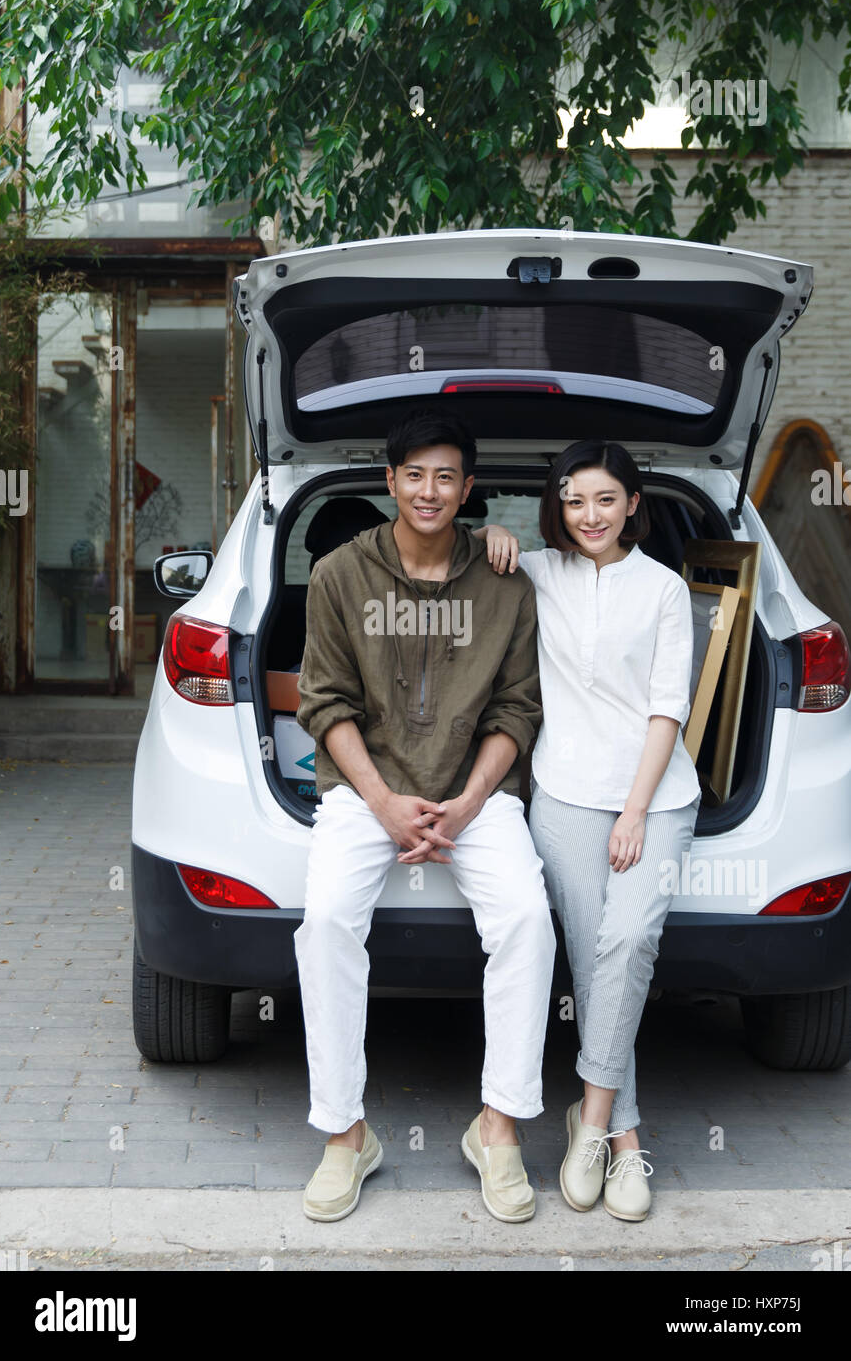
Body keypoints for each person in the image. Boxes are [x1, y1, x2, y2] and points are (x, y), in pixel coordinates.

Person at [294, 407, 556, 1224]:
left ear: (469, 488)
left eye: (447, 476)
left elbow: (518, 710)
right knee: (328, 921)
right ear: (391, 483)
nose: (430, 490)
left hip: (474, 798)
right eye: (415, 475)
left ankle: (499, 1127)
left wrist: (470, 803)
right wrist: (381, 803)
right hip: (363, 793)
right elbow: (322, 701)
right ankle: (345, 1136)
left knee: (526, 921)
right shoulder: (340, 575)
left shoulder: (505, 578)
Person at [473, 440, 701, 1222]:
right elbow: (456, 547)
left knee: (629, 939)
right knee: (594, 958)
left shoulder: (666, 590)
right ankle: (630, 1139)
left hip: (656, 796)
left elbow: (668, 706)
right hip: (564, 793)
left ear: (633, 503)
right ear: (557, 508)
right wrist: (490, 535)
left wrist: (636, 810)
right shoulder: (540, 571)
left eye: (606, 499)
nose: (590, 515)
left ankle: (597, 1123)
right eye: (574, 501)